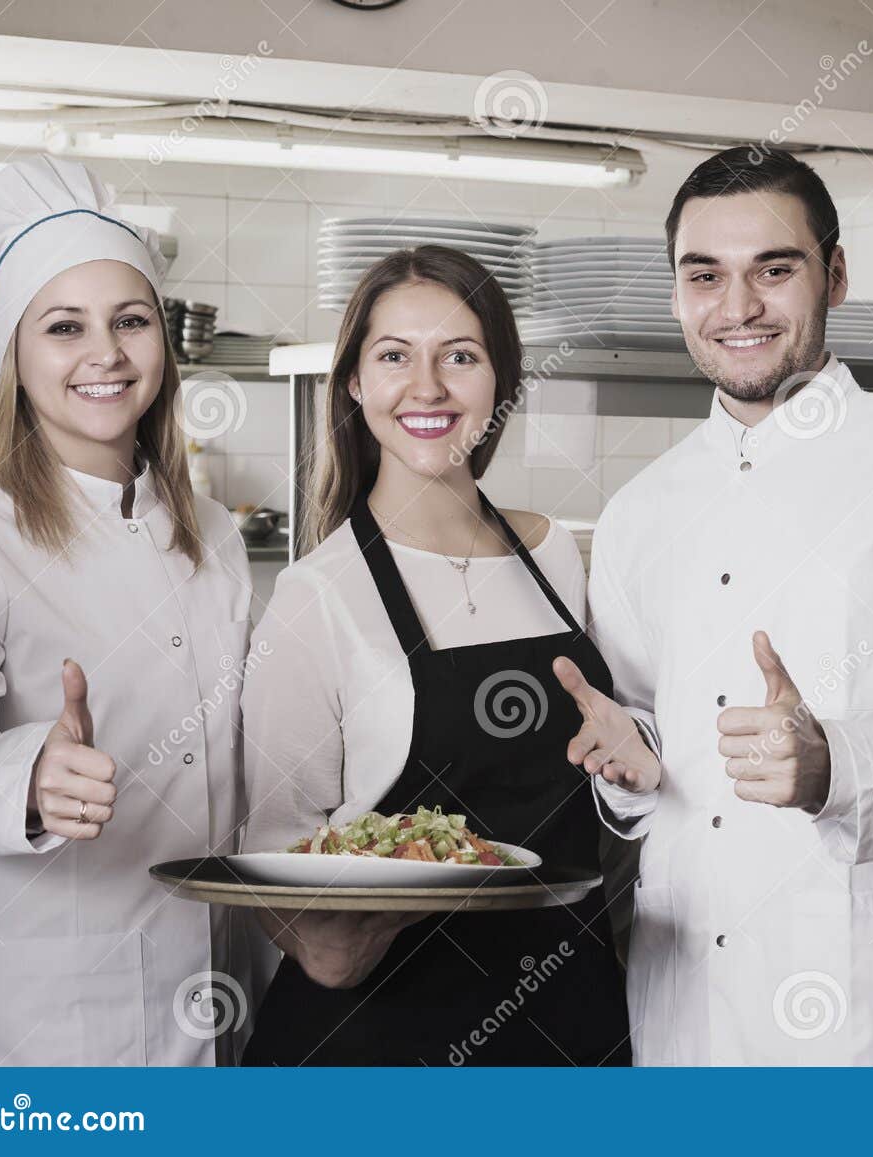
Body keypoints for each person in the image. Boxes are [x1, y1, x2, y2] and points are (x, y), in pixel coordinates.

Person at [551, 147, 873, 1064]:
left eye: (773, 271)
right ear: (675, 293)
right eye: (705, 276)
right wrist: (625, 768)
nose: (737, 308)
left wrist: (838, 766)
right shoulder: (639, 512)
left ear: (838, 276)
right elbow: (647, 748)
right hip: (686, 1002)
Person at [0, 156, 253, 1065]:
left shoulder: (213, 533)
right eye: (64, 327)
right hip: (46, 1026)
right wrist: (29, 781)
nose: (107, 353)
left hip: (216, 985)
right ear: (14, 353)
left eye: (131, 321)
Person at [238, 245, 633, 1066]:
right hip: (384, 1034)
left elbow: (608, 799)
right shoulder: (320, 592)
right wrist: (324, 951)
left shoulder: (556, 552)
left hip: (572, 1016)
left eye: (461, 355)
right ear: (353, 382)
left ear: (500, 382)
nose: (428, 388)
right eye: (394, 357)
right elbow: (274, 845)